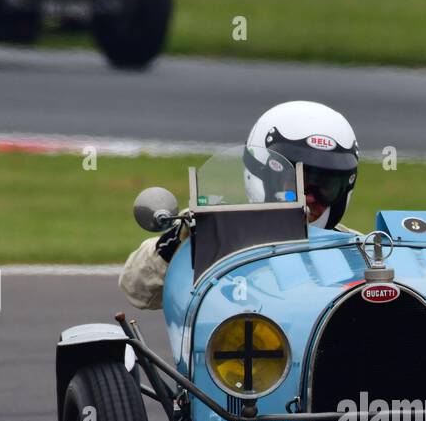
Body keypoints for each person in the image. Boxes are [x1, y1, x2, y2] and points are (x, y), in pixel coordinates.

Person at [119, 101, 360, 311]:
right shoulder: (214, 233)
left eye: (326, 185)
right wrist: (180, 239)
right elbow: (136, 289)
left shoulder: (359, 249)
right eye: (296, 181)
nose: (309, 197)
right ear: (261, 171)